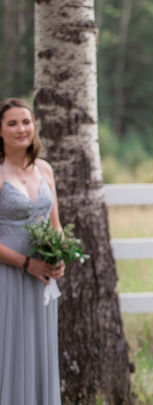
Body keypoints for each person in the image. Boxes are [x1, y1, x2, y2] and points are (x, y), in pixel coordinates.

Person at [0, 97, 65, 405]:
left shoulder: (45, 170)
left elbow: (56, 225)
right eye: (11, 123)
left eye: (26, 122)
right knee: (9, 349)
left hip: (42, 280)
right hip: (7, 277)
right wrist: (28, 264)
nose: (21, 129)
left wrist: (58, 256)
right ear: (0, 131)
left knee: (39, 350)